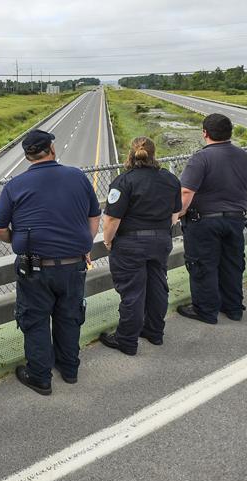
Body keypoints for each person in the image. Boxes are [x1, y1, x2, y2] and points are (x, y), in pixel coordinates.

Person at [0, 130, 100, 393]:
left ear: (28, 156)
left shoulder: (15, 186)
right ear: (51, 149)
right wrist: (84, 244)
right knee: (70, 316)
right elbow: (94, 216)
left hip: (34, 267)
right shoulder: (77, 176)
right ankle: (69, 368)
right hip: (74, 264)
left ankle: (40, 376)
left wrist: (16, 240)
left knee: (36, 319)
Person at [97, 137, 181, 355]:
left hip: (130, 243)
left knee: (133, 292)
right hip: (161, 240)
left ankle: (126, 340)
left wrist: (108, 240)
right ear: (154, 154)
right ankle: (154, 332)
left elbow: (112, 220)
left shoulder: (123, 181)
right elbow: (175, 215)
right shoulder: (170, 179)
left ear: (130, 155)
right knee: (157, 286)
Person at [176, 114, 247, 324]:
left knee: (203, 265)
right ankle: (234, 308)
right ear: (230, 132)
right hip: (236, 219)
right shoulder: (244, 156)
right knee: (232, 264)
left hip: (204, 222)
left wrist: (178, 214)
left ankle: (205, 310)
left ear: (205, 133)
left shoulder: (201, 158)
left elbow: (186, 193)